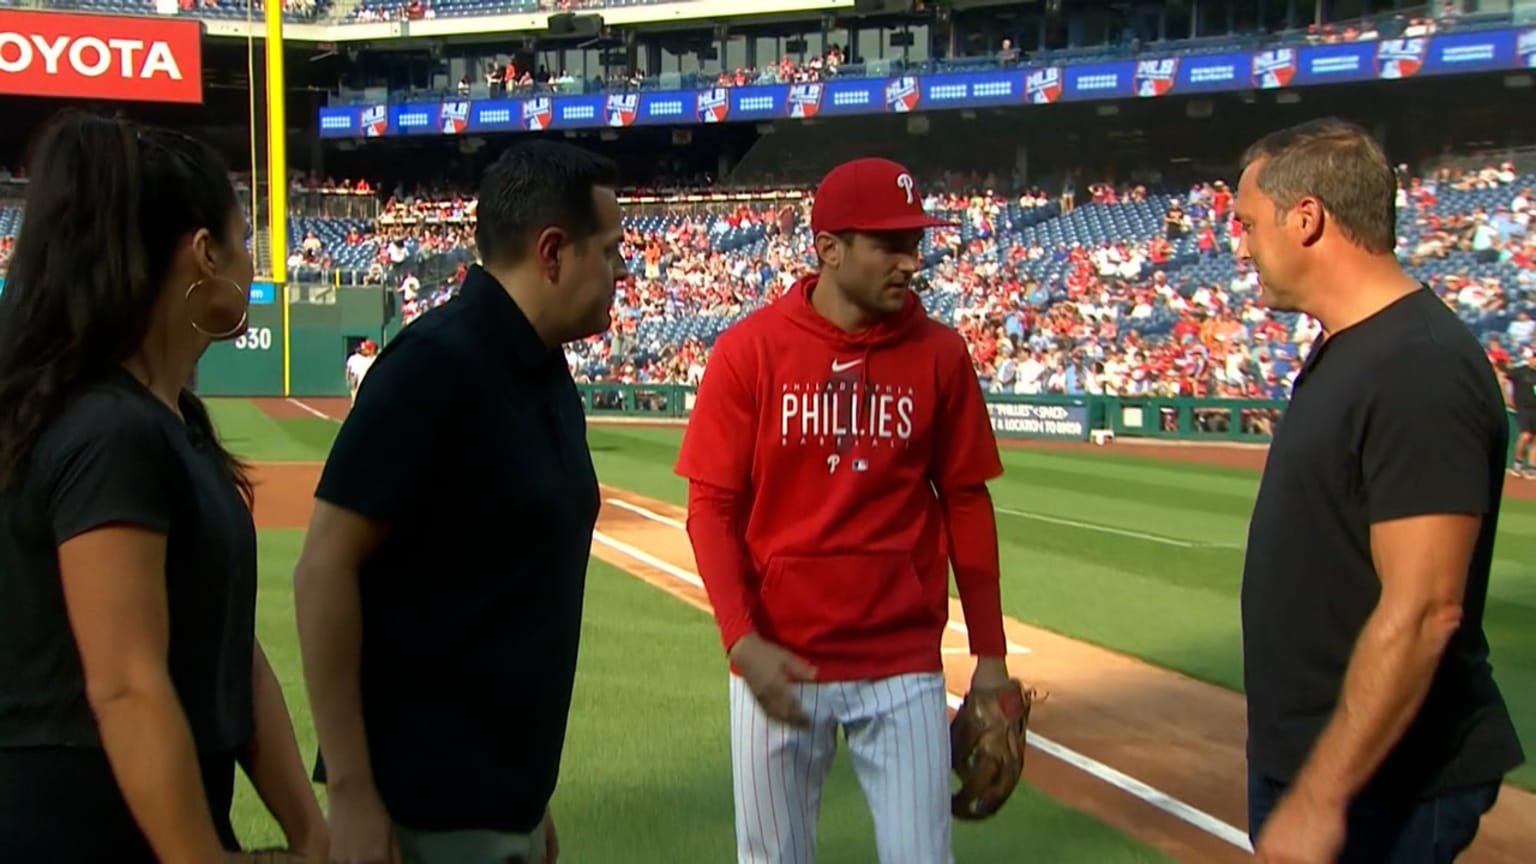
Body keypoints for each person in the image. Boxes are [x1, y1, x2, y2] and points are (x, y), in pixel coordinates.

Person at [0, 112, 326, 862]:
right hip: (80, 827)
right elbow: (125, 685)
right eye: (243, 243)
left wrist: (310, 832)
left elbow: (227, 647)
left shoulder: (168, 421)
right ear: (202, 254)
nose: (251, 264)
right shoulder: (109, 432)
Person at [674, 157, 1020, 863]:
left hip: (901, 663)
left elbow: (966, 503)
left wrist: (990, 658)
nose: (911, 261)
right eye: (889, 244)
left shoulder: (941, 355)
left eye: (915, 242)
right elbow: (709, 509)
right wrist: (740, 639)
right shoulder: (749, 353)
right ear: (829, 249)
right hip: (778, 658)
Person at [293, 140, 627, 864]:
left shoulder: (543, 370)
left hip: (500, 805)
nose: (622, 270)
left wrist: (526, 805)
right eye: (610, 250)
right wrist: (350, 792)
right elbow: (323, 567)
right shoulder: (435, 366)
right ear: (552, 252)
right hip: (424, 811)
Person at [1235, 117, 1525, 863]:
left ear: (1306, 220)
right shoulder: (1354, 347)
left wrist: (1321, 794)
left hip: (1384, 787)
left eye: (1249, 224)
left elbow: (1426, 607)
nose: (1240, 247)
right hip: (1329, 767)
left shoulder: (1417, 367)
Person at [1507, 347, 1536, 478]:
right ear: (1531, 358)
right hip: (1523, 408)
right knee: (1525, 435)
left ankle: (1532, 467)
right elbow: (1505, 377)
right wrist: (1509, 397)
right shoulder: (1520, 371)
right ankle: (1517, 464)